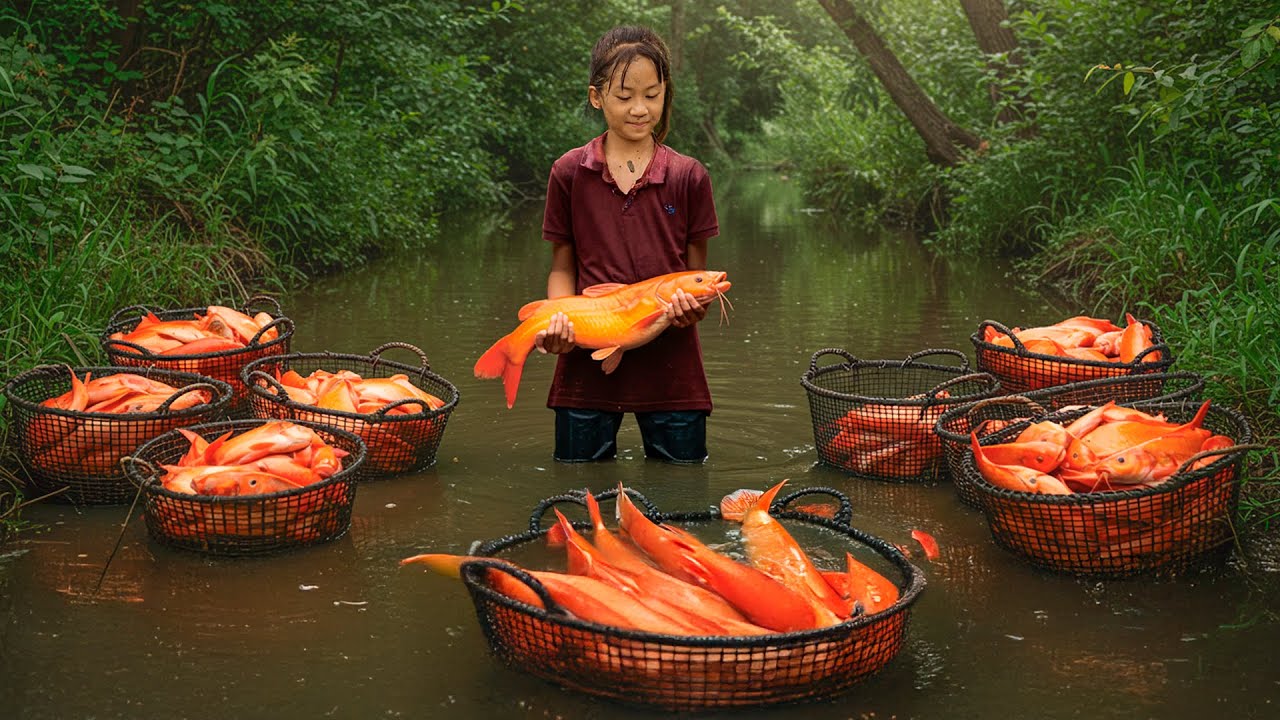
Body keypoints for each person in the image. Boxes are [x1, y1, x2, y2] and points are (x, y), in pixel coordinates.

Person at [535, 25, 720, 464]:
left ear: (664, 93)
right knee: (578, 495)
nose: (640, 109)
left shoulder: (689, 176)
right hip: (587, 360)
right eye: (624, 96)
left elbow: (694, 271)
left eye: (652, 95)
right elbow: (563, 265)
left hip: (674, 367)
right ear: (597, 97)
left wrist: (696, 307)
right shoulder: (568, 172)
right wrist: (557, 322)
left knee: (685, 495)